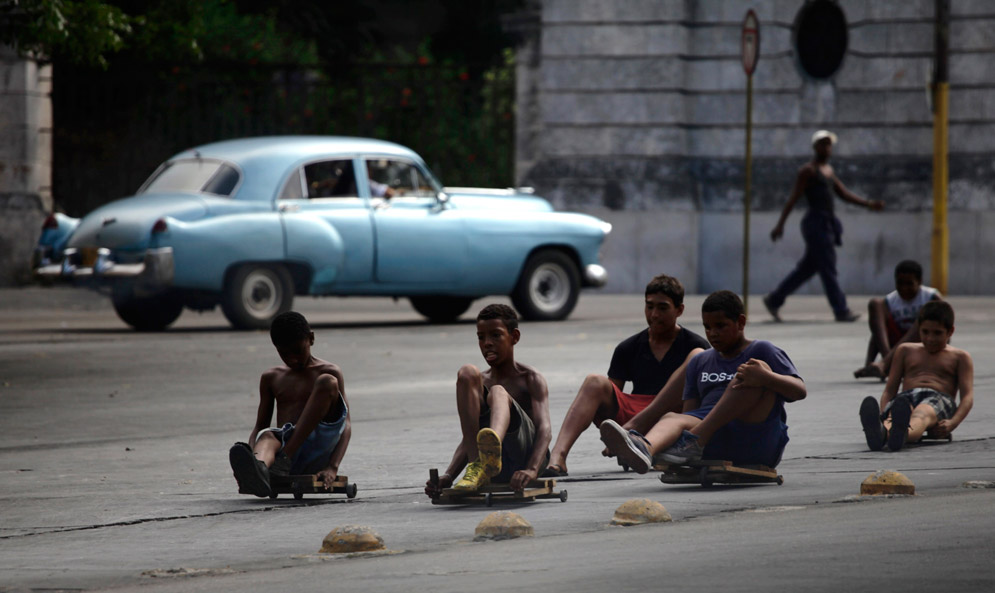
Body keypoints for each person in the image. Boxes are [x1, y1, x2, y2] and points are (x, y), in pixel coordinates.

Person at [600, 290, 806, 473]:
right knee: (673, 417)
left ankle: (693, 442)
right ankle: (644, 448)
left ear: (741, 323)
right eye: (707, 327)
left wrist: (765, 377)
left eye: (720, 326)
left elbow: (799, 391)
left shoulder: (761, 350)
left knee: (748, 374)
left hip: (755, 439)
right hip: (713, 442)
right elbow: (691, 413)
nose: (713, 334)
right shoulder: (701, 361)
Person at [541, 274, 709, 477]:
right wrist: (616, 435)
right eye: (649, 306)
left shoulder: (694, 345)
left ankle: (641, 441)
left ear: (679, 310)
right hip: (634, 415)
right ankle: (558, 458)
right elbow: (610, 400)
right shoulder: (628, 347)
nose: (654, 314)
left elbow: (701, 402)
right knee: (594, 382)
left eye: (662, 308)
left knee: (698, 357)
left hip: (672, 417)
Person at [424, 304, 551, 496]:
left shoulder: (530, 378)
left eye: (496, 335)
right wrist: (449, 475)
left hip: (524, 461)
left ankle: (492, 448)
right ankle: (479, 465)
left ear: (514, 337)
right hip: (496, 470)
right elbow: (470, 436)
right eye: (481, 337)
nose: (487, 343)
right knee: (467, 373)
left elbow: (545, 429)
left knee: (498, 392)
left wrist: (532, 469)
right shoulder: (480, 381)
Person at [764, 130, 884, 323]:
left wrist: (869, 204)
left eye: (829, 144)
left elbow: (843, 194)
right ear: (815, 147)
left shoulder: (828, 171)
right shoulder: (808, 171)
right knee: (828, 267)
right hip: (815, 224)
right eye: (823, 144)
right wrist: (780, 225)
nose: (827, 148)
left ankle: (774, 299)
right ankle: (841, 309)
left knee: (808, 268)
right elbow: (793, 199)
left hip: (827, 223)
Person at [228, 311, 351, 497]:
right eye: (284, 354)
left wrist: (332, 466)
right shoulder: (272, 378)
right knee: (268, 436)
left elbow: (346, 424)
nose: (293, 359)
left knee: (327, 381)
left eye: (298, 351)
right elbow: (260, 427)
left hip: (316, 451)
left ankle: (285, 457)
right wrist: (251, 455)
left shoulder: (329, 371)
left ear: (311, 338)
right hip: (278, 463)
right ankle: (258, 470)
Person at [859, 301, 973, 451]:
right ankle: (882, 432)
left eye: (937, 333)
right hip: (906, 398)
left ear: (950, 331)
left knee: (921, 414)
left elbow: (967, 397)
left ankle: (901, 434)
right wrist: (884, 411)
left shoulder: (960, 357)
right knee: (894, 416)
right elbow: (890, 389)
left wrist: (953, 423)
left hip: (939, 398)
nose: (930, 338)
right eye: (925, 332)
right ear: (918, 329)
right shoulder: (905, 350)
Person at [854, 260, 942, 380]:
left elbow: (944, 328)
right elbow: (877, 332)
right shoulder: (890, 300)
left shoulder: (931, 297)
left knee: (923, 318)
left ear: (920, 281)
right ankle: (883, 364)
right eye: (899, 283)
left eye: (909, 284)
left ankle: (887, 364)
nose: (904, 288)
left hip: (924, 343)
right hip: (895, 346)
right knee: (875, 304)